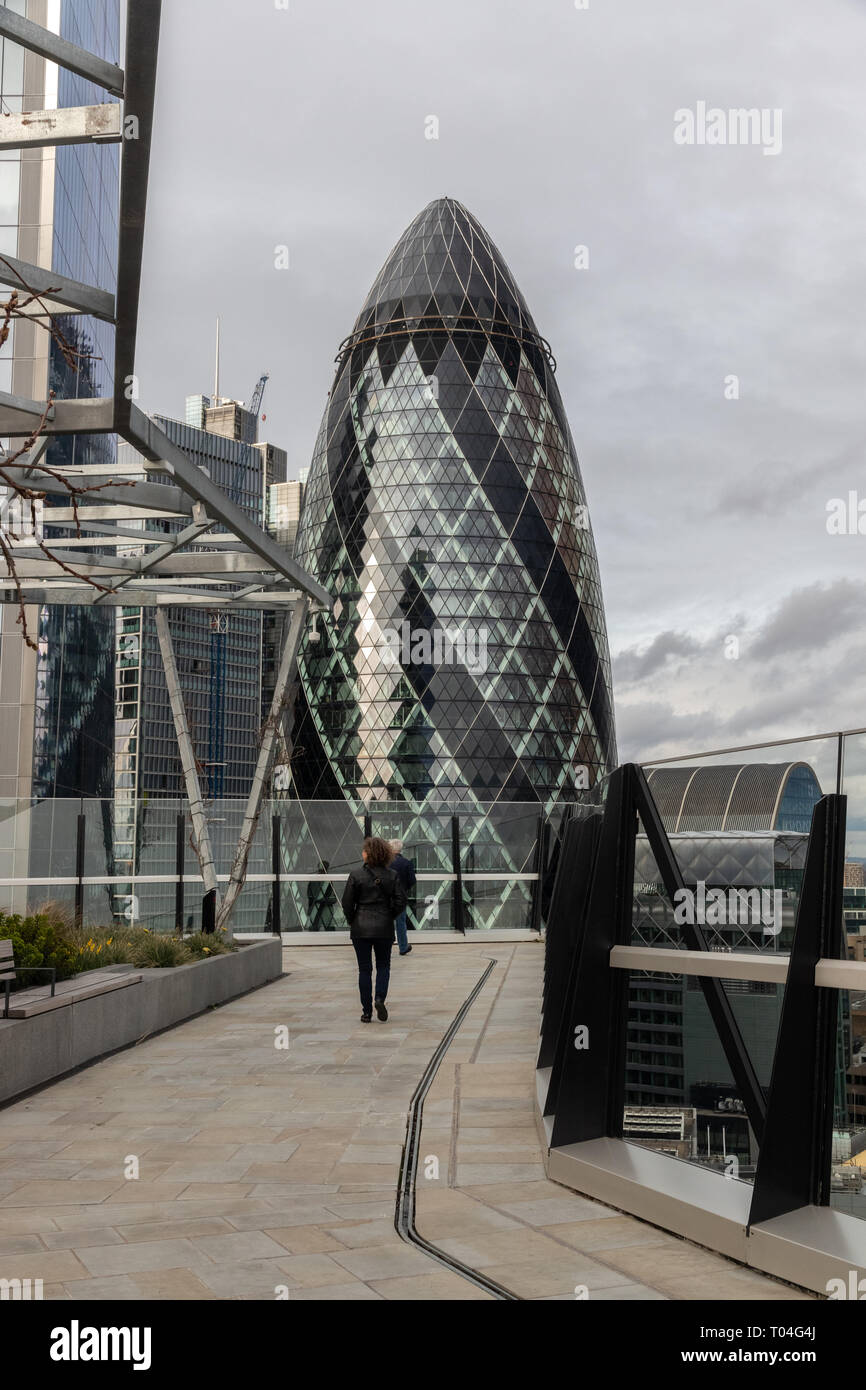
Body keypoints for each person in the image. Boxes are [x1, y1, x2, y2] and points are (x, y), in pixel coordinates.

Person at [342, 836, 406, 1023]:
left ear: (367, 854)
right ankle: (379, 999)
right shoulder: (392, 875)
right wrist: (389, 915)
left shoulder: (356, 875)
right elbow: (401, 901)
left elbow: (347, 903)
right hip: (384, 928)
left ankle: (366, 1012)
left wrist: (353, 919)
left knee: (364, 970)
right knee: (383, 965)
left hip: (360, 928)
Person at [388, 839, 417, 956]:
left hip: (386, 896)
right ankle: (403, 947)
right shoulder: (407, 863)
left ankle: (386, 945)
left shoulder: (385, 863)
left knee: (386, 921)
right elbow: (412, 881)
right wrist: (404, 889)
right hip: (400, 896)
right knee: (401, 922)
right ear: (400, 849)